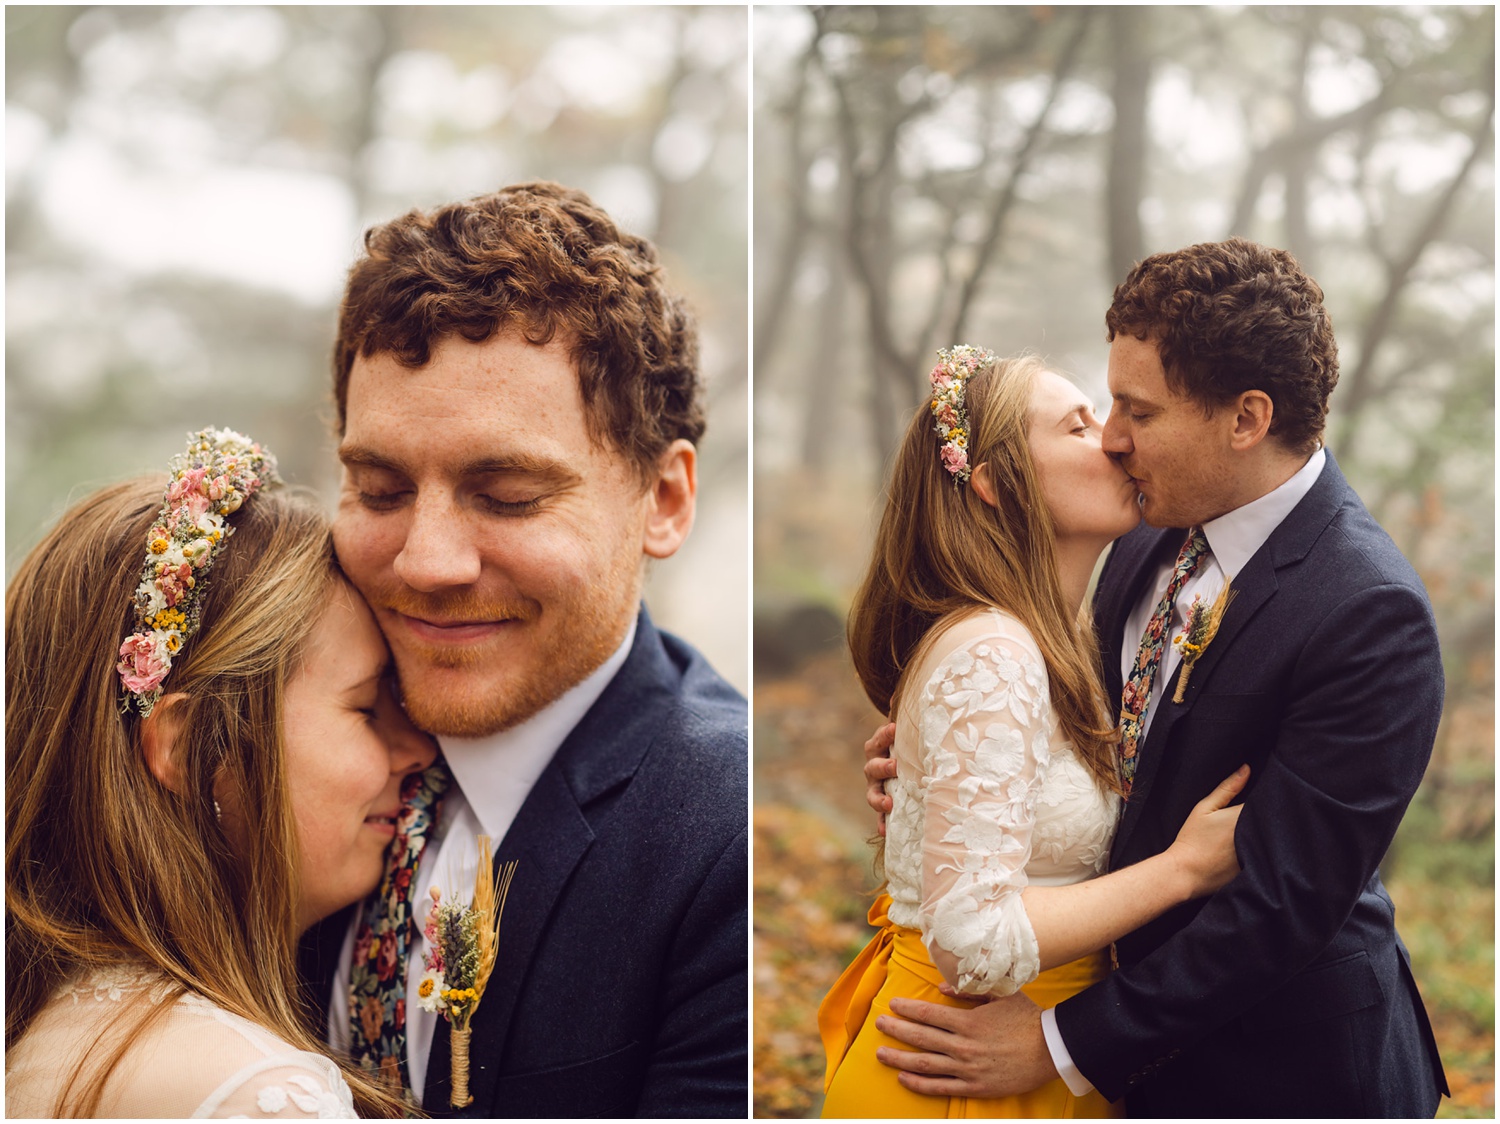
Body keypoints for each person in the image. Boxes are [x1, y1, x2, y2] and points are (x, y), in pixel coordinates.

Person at [865, 239, 1449, 1116]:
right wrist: (953, 776)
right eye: (1105, 407)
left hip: (1277, 1074)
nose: (1112, 435)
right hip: (1104, 1061)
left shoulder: (1369, 612)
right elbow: (1088, 735)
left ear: (1246, 418)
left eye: (1139, 410)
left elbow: (1281, 907)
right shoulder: (1141, 531)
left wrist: (1062, 1046)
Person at [299, 181, 748, 1118]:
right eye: (379, 489)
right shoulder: (260, 740)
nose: (426, 562)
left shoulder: (722, 840)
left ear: (663, 500)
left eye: (506, 495)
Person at [819, 348, 1247, 1118]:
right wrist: (1182, 870)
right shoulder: (995, 650)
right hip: (956, 1069)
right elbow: (972, 937)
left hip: (1029, 1058)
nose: (1113, 439)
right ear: (994, 481)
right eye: (1077, 427)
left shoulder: (1061, 638)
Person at [6, 428, 436, 1118]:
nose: (419, 748)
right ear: (186, 747)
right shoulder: (252, 1090)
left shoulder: (44, 1030)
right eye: (365, 706)